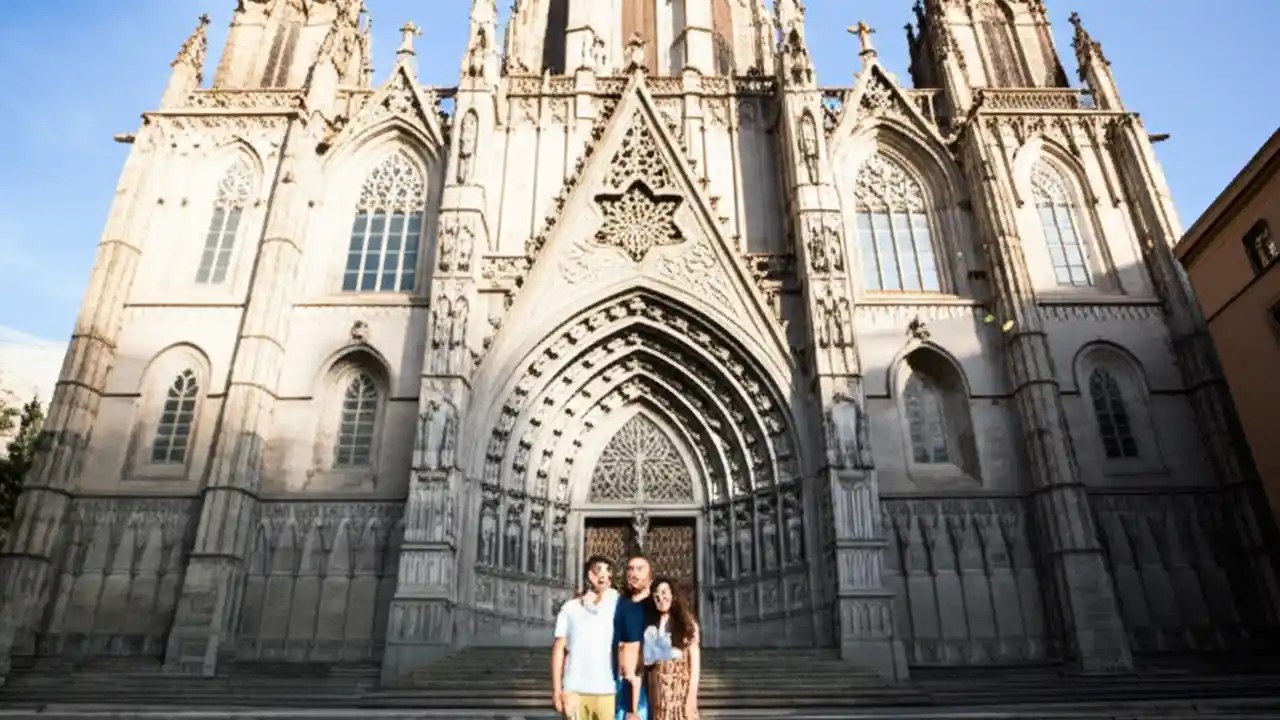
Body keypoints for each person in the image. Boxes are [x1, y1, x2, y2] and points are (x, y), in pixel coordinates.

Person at [552, 555, 620, 720]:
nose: (603, 575)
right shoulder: (570, 608)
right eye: (598, 570)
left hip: (607, 690)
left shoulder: (618, 605)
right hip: (575, 689)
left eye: (607, 570)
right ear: (589, 575)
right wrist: (557, 689)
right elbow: (559, 649)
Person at [642, 578, 701, 720]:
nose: (660, 598)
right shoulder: (651, 624)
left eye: (664, 593)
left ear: (673, 595)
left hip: (680, 692)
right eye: (656, 596)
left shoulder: (687, 624)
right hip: (658, 693)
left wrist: (691, 697)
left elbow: (695, 664)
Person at [614, 552, 653, 720]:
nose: (633, 573)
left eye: (639, 569)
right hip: (619, 681)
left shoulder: (655, 605)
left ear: (650, 576)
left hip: (644, 685)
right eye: (630, 569)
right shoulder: (618, 602)